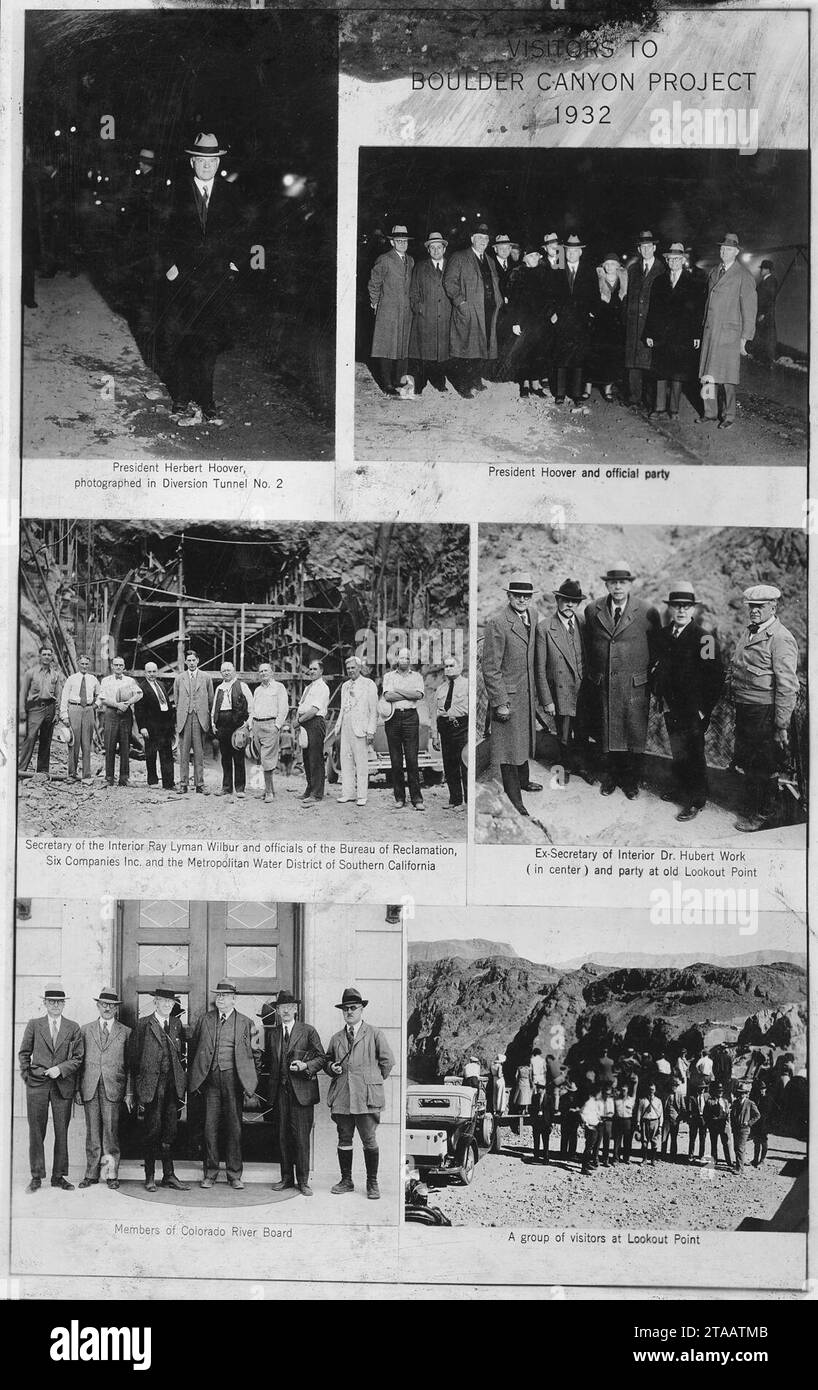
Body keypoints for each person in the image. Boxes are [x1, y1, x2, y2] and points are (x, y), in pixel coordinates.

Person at [154, 132, 244, 425]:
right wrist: (169, 265)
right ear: (193, 161)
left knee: (209, 342)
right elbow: (158, 231)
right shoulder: (174, 192)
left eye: (212, 160)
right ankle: (180, 398)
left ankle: (206, 400)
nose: (207, 165)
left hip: (216, 281)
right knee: (181, 340)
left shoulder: (231, 194)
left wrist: (236, 263)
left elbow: (244, 231)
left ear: (218, 162)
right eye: (201, 160)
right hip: (183, 280)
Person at [584, 563, 661, 799]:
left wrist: (646, 677)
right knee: (608, 734)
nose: (618, 587)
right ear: (606, 584)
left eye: (623, 582)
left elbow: (656, 649)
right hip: (604, 685)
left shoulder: (648, 611)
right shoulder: (592, 609)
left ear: (630, 585)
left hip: (635, 686)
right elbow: (588, 646)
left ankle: (630, 782)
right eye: (613, 582)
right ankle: (611, 779)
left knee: (633, 734)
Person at [650, 583, 724, 821]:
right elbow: (657, 668)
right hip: (671, 705)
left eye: (686, 606)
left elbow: (715, 678)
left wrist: (704, 710)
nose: (681, 611)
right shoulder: (663, 635)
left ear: (693, 609)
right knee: (678, 750)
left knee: (694, 754)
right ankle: (682, 789)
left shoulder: (704, 639)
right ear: (670, 609)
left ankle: (696, 799)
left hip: (693, 709)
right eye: (676, 606)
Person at [730, 584, 800, 832]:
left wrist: (781, 724)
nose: (755, 611)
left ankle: (765, 814)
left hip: (765, 712)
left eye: (760, 607)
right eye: (752, 607)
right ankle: (754, 807)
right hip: (747, 709)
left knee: (764, 764)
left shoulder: (781, 638)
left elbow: (787, 685)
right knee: (750, 762)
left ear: (774, 606)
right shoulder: (749, 633)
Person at [325, 987, 395, 1200]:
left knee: (369, 1139)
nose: (349, 1012)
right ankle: (346, 1180)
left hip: (366, 1098)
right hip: (343, 1097)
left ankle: (372, 1182)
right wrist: (332, 1068)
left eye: (353, 1008)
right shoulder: (337, 1038)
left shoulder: (374, 1033)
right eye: (345, 1009)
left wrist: (370, 1081)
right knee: (344, 1138)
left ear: (362, 1009)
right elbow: (328, 1060)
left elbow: (388, 1062)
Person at [188, 980, 259, 1191]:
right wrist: (197, 1077)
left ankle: (234, 1174)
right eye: (218, 995)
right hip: (210, 1082)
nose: (220, 998)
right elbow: (194, 1050)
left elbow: (256, 1055)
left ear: (234, 999)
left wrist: (251, 1084)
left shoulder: (247, 1023)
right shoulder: (205, 1020)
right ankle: (210, 1173)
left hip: (234, 1082)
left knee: (234, 1129)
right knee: (210, 1128)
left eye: (225, 995)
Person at [481, 573, 542, 817]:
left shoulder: (533, 616)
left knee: (523, 740)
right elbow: (490, 668)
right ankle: (515, 798)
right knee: (508, 749)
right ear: (509, 596)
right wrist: (500, 703)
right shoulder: (498, 622)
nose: (522, 599)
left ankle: (524, 782)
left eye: (526, 596)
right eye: (517, 595)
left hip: (526, 693)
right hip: (508, 696)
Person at [19, 985, 83, 1193]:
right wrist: (29, 1077)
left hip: (62, 1085)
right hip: (37, 1085)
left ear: (64, 1004)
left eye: (59, 1002)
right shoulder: (34, 1025)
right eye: (51, 1002)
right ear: (45, 1003)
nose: (56, 1005)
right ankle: (36, 1176)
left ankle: (59, 1176)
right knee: (36, 1132)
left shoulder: (73, 1027)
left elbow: (77, 1058)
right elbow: (24, 1053)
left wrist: (60, 1069)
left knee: (61, 1131)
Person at [128, 984, 190, 1192]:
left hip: (171, 1087)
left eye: (170, 1002)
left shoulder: (176, 1024)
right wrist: (137, 1088)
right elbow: (133, 1061)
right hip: (152, 1088)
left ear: (174, 1004)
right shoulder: (143, 1025)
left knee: (170, 1131)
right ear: (155, 1002)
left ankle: (169, 1176)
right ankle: (150, 1177)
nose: (166, 1005)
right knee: (151, 1131)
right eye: (163, 1001)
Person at [535, 578, 596, 784]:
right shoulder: (544, 629)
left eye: (575, 601)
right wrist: (547, 700)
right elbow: (540, 668)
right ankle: (563, 771)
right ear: (558, 599)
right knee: (562, 735)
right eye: (566, 600)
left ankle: (581, 767)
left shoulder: (582, 622)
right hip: (560, 693)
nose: (570, 604)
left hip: (583, 691)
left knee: (582, 733)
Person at [266, 990, 326, 1197]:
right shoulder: (272, 1034)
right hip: (280, 1093)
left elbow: (321, 1058)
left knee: (301, 1138)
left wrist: (304, 1066)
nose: (286, 1011)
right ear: (277, 1010)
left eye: (290, 1007)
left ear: (296, 1010)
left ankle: (303, 1181)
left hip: (302, 1093)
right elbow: (269, 1064)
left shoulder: (308, 1031)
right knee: (282, 1136)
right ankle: (286, 1178)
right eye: (282, 1008)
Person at [698, 233, 757, 429]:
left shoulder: (744, 275)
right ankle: (709, 412)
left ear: (736, 252)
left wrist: (745, 337)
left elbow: (749, 308)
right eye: (722, 248)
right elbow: (707, 303)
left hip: (729, 334)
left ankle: (729, 415)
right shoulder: (714, 271)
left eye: (729, 249)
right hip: (710, 331)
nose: (724, 252)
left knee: (728, 379)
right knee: (708, 376)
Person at [77, 988, 132, 1190]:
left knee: (110, 1132)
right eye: (104, 1004)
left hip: (113, 1088)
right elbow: (78, 1063)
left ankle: (110, 1174)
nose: (107, 1008)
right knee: (92, 1132)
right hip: (90, 1087)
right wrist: (77, 1090)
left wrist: (129, 1092)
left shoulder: (125, 1032)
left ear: (116, 1009)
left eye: (112, 1005)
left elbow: (129, 1066)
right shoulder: (85, 1030)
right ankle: (91, 1174)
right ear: (98, 1006)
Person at [643, 241, 704, 419]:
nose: (673, 262)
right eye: (670, 259)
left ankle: (674, 410)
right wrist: (649, 333)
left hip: (682, 335)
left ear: (682, 260)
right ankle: (659, 407)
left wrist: (696, 335)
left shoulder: (692, 282)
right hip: (662, 334)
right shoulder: (659, 281)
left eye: (677, 259)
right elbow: (652, 310)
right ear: (667, 261)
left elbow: (696, 312)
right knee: (660, 372)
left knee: (678, 374)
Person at [443, 223, 502, 397]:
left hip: (487, 310)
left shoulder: (490, 260)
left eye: (486, 238)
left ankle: (475, 379)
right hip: (468, 311)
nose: (483, 241)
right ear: (472, 239)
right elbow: (449, 282)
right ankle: (462, 384)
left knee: (482, 347)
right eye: (480, 238)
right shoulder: (460, 257)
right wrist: (461, 302)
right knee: (465, 348)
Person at [549, 234, 598, 405]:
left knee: (578, 359)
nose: (571, 254)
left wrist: (592, 313)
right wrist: (552, 313)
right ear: (565, 252)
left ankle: (576, 394)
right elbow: (550, 295)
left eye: (575, 251)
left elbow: (595, 296)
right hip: (562, 320)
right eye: (569, 251)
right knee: (561, 357)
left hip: (580, 321)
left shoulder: (589, 271)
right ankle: (560, 393)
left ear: (580, 253)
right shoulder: (557, 269)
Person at [368, 224, 414, 395]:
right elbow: (374, 283)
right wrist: (375, 302)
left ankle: (399, 381)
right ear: (392, 242)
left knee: (402, 347)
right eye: (399, 241)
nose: (402, 243)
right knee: (386, 347)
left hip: (405, 311)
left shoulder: (411, 260)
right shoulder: (385, 259)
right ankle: (387, 384)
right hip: (388, 309)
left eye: (405, 241)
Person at [624, 230, 667, 409]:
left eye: (649, 246)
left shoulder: (661, 269)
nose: (646, 250)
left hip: (650, 323)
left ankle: (650, 401)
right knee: (633, 362)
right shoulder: (633, 269)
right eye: (643, 247)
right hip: (633, 323)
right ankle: (634, 398)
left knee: (648, 363)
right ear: (639, 249)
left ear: (654, 248)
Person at [381, 647, 426, 810]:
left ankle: (417, 799)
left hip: (410, 717)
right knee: (396, 760)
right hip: (392, 718)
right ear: (396, 659)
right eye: (401, 658)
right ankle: (399, 798)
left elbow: (419, 695)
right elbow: (388, 696)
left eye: (407, 658)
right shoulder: (388, 676)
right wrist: (408, 693)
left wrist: (398, 690)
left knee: (413, 759)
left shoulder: (417, 676)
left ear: (410, 660)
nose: (404, 661)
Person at [408, 231, 450, 394]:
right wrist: (419, 307)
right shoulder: (420, 267)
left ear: (444, 249)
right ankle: (420, 383)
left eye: (439, 247)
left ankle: (440, 382)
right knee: (424, 353)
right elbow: (413, 291)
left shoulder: (451, 265)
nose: (436, 250)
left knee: (442, 353)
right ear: (428, 250)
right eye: (432, 248)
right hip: (425, 317)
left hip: (445, 316)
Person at [507, 244, 550, 397]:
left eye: (537, 256)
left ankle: (536, 384)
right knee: (525, 352)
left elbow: (549, 297)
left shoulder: (544, 273)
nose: (535, 259)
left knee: (539, 351)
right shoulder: (517, 273)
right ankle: (524, 384)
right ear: (524, 257)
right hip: (524, 319)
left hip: (541, 320)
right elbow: (513, 301)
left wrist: (549, 314)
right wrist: (515, 322)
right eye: (531, 256)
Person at [336, 656, 378, 807]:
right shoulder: (345, 685)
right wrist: (338, 725)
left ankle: (362, 795)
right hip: (346, 727)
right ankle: (347, 793)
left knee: (361, 763)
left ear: (359, 668)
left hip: (361, 727)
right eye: (348, 668)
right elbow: (343, 707)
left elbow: (373, 710)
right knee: (345, 761)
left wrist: (371, 731)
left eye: (353, 667)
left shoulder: (368, 684)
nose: (351, 670)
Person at [98, 656, 143, 788]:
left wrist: (128, 703)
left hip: (126, 714)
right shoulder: (106, 681)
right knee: (110, 745)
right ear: (112, 666)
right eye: (116, 665)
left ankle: (124, 778)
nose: (118, 667)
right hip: (111, 713)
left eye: (121, 665)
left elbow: (139, 694)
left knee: (125, 745)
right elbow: (102, 698)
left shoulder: (130, 680)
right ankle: (109, 777)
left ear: (124, 667)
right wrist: (117, 705)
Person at [210, 662, 253, 799]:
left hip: (237, 725)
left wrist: (247, 724)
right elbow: (215, 707)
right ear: (221, 673)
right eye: (224, 671)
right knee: (225, 758)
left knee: (238, 758)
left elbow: (251, 706)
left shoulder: (242, 686)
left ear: (234, 671)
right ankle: (226, 787)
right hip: (222, 725)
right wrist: (213, 722)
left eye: (228, 670)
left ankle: (240, 788)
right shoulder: (219, 688)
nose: (226, 673)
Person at [173, 651, 213, 795]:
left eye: (193, 660)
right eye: (188, 660)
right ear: (185, 662)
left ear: (198, 661)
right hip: (185, 718)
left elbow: (210, 700)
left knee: (199, 753)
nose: (191, 663)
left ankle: (200, 784)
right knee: (183, 754)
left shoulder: (206, 678)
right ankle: (183, 784)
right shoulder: (179, 679)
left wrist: (204, 715)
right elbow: (177, 701)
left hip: (199, 718)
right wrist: (183, 712)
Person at [19, 644, 63, 776]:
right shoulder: (30, 673)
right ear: (39, 656)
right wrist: (22, 709)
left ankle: (43, 771)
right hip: (35, 707)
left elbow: (58, 695)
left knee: (46, 739)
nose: (47, 657)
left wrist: (57, 712)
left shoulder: (55, 674)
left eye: (49, 655)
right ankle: (21, 769)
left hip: (50, 708)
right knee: (30, 737)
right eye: (44, 654)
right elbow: (23, 692)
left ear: (52, 657)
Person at [590, 252, 627, 400]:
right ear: (603, 266)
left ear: (618, 266)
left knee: (613, 357)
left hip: (616, 324)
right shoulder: (598, 279)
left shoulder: (624, 281)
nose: (610, 266)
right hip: (600, 323)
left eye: (613, 264)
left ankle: (608, 389)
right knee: (597, 355)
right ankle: (589, 386)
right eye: (607, 264)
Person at [250, 662, 289, 802]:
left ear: (271, 672)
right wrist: (251, 725)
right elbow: (253, 709)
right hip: (257, 725)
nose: (263, 673)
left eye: (266, 670)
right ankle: (269, 789)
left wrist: (277, 726)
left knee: (267, 759)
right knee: (261, 759)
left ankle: (268, 793)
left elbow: (284, 708)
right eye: (261, 671)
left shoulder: (279, 687)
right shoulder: (257, 690)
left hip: (270, 725)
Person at [433, 654, 469, 808]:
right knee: (449, 765)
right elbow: (434, 712)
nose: (448, 669)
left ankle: (467, 802)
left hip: (462, 727)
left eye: (451, 665)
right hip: (445, 729)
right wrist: (435, 735)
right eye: (446, 666)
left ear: (459, 667)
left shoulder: (468, 685)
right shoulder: (440, 689)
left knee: (465, 765)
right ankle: (455, 799)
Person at [59, 654, 100, 784]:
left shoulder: (93, 679)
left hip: (88, 710)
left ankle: (86, 775)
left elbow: (101, 694)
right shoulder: (71, 679)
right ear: (78, 664)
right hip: (74, 709)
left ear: (89, 665)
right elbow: (64, 697)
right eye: (82, 663)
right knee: (73, 742)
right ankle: (72, 774)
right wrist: (64, 715)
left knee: (87, 743)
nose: (84, 666)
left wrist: (96, 705)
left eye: (86, 664)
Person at [137, 661, 176, 791]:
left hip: (165, 725)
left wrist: (171, 724)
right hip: (151, 726)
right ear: (145, 673)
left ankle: (169, 783)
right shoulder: (141, 688)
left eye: (154, 671)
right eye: (149, 672)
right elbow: (139, 709)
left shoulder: (161, 685)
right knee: (151, 753)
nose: (152, 674)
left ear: (157, 672)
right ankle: (152, 781)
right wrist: (142, 727)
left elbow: (167, 705)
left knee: (167, 754)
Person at [297, 658, 330, 805]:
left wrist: (298, 721)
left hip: (315, 722)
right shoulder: (308, 687)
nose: (311, 671)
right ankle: (309, 789)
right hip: (305, 723)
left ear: (321, 671)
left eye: (314, 669)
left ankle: (317, 793)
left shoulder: (322, 687)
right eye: (310, 669)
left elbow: (314, 710)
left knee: (315, 758)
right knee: (307, 758)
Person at [490, 232, 516, 379]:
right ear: (495, 249)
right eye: (501, 247)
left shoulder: (515, 265)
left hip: (511, 310)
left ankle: (508, 373)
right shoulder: (491, 265)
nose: (504, 250)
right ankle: (495, 373)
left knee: (509, 339)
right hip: (497, 309)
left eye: (507, 247)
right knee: (496, 339)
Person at [751, 259, 779, 365]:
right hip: (761, 313)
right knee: (761, 335)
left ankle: (766, 360)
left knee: (766, 336)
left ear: (767, 269)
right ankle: (760, 358)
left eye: (762, 269)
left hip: (766, 314)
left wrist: (763, 313)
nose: (760, 271)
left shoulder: (771, 281)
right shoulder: (764, 281)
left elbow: (770, 298)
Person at [730, 1083, 761, 1173]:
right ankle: (739, 1165)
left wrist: (749, 1123)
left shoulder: (750, 1103)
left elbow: (757, 1115)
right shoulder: (735, 1102)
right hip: (736, 1128)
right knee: (736, 1148)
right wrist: (733, 1124)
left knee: (740, 1147)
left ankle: (740, 1169)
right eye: (740, 1093)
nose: (741, 1095)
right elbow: (732, 1114)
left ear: (746, 1094)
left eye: (743, 1093)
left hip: (744, 1129)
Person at [704, 1082, 734, 1169]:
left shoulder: (725, 1101)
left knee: (726, 1143)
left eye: (721, 1091)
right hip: (714, 1125)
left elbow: (728, 1114)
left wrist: (728, 1125)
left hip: (723, 1125)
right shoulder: (710, 1101)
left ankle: (729, 1161)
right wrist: (709, 1123)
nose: (720, 1093)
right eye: (718, 1091)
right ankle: (714, 1160)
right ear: (715, 1092)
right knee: (714, 1144)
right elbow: (706, 1114)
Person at [636, 1084, 664, 1165]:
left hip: (655, 1122)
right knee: (644, 1141)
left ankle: (653, 1160)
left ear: (655, 1090)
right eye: (650, 1089)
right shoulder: (643, 1100)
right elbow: (639, 1112)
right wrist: (638, 1122)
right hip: (645, 1121)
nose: (651, 1091)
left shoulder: (658, 1101)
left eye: (653, 1089)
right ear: (647, 1090)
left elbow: (661, 1114)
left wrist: (660, 1125)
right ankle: (644, 1159)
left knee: (654, 1141)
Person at [662, 1076, 687, 1161]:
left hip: (675, 1119)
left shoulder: (679, 1094)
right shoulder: (665, 1094)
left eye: (676, 1085)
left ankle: (673, 1155)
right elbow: (662, 1106)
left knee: (674, 1138)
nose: (674, 1087)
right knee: (664, 1137)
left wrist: (680, 1118)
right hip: (666, 1118)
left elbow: (683, 1107)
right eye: (672, 1085)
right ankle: (663, 1155)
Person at [580, 1088, 602, 1174]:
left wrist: (598, 1118)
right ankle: (584, 1168)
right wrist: (587, 1124)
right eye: (599, 1094)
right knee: (588, 1148)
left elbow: (594, 1113)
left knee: (591, 1146)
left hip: (595, 1126)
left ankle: (587, 1163)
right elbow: (582, 1113)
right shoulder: (589, 1103)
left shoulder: (594, 1102)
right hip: (591, 1128)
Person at [612, 1081, 635, 1163]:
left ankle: (626, 1158)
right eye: (622, 1090)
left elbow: (634, 1111)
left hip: (628, 1120)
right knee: (617, 1140)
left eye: (625, 1090)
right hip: (618, 1120)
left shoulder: (631, 1100)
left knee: (627, 1140)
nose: (623, 1092)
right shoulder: (616, 1100)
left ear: (628, 1090)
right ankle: (616, 1158)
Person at [531, 1086, 554, 1164]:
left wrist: (551, 1123)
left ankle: (546, 1158)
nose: (538, 1090)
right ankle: (536, 1156)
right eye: (538, 1089)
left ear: (544, 1089)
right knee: (536, 1140)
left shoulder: (549, 1098)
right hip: (537, 1121)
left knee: (545, 1141)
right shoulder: (534, 1097)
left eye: (540, 1089)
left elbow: (551, 1111)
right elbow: (531, 1108)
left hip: (545, 1122)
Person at [687, 1082, 708, 1163]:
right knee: (692, 1138)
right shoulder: (692, 1098)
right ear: (697, 1089)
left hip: (704, 1119)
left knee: (702, 1138)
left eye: (703, 1088)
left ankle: (701, 1155)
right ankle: (690, 1155)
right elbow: (689, 1110)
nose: (702, 1090)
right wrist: (691, 1118)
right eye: (700, 1088)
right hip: (695, 1119)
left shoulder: (707, 1097)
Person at [751, 1080, 770, 1167]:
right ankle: (755, 1159)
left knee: (764, 1142)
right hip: (757, 1123)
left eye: (763, 1089)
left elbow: (771, 1113)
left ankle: (762, 1160)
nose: (762, 1091)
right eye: (760, 1089)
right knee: (756, 1142)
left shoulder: (768, 1099)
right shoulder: (755, 1098)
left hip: (765, 1124)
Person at [560, 1081, 581, 1159]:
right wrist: (568, 1109)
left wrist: (577, 1110)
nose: (572, 1093)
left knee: (573, 1137)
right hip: (565, 1119)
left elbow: (580, 1108)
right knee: (564, 1137)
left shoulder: (577, 1098)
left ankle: (572, 1154)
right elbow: (561, 1108)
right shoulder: (563, 1097)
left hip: (574, 1119)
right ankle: (563, 1154)